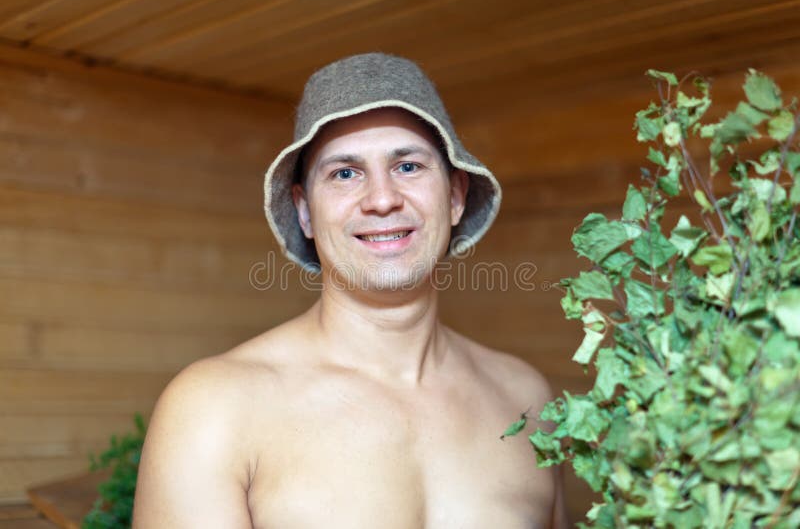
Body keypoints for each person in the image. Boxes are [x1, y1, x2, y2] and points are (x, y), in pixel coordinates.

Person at [133, 53, 567, 528]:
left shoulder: (525, 400)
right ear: (305, 212)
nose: (382, 199)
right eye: (345, 173)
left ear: (455, 195)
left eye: (408, 166)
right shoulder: (215, 408)